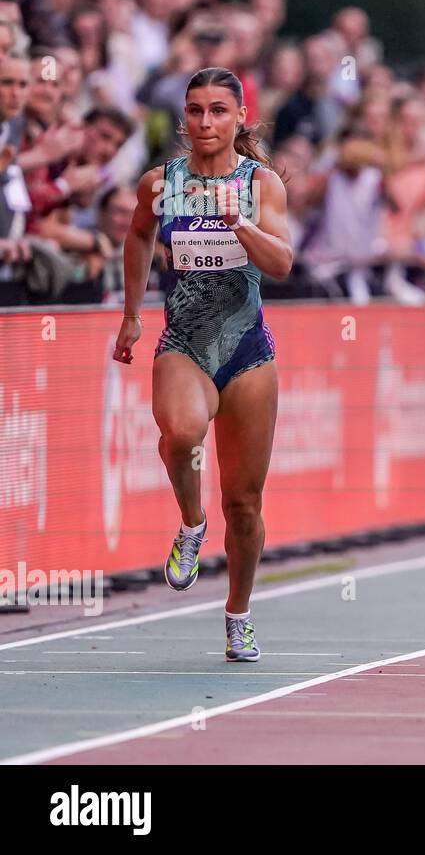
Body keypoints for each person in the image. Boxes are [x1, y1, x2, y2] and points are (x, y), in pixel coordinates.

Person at [113, 66, 294, 663]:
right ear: (184, 119)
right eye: (195, 111)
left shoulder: (260, 183)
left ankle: (238, 614)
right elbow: (138, 236)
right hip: (184, 342)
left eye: (219, 110)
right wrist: (133, 313)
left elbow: (283, 263)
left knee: (243, 504)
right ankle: (191, 524)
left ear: (240, 116)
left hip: (247, 351)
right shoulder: (160, 183)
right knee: (182, 432)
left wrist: (237, 222)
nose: (205, 122)